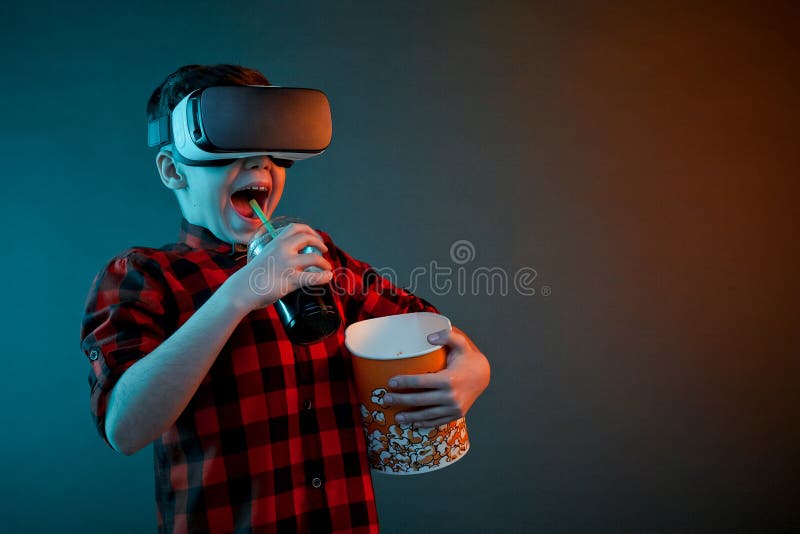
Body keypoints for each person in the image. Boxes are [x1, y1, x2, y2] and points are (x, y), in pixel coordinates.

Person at [80, 64, 491, 533]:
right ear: (174, 170)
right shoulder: (142, 276)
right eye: (231, 148)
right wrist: (240, 293)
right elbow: (126, 429)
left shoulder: (314, 257)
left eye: (272, 154)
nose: (260, 166)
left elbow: (420, 325)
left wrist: (473, 364)